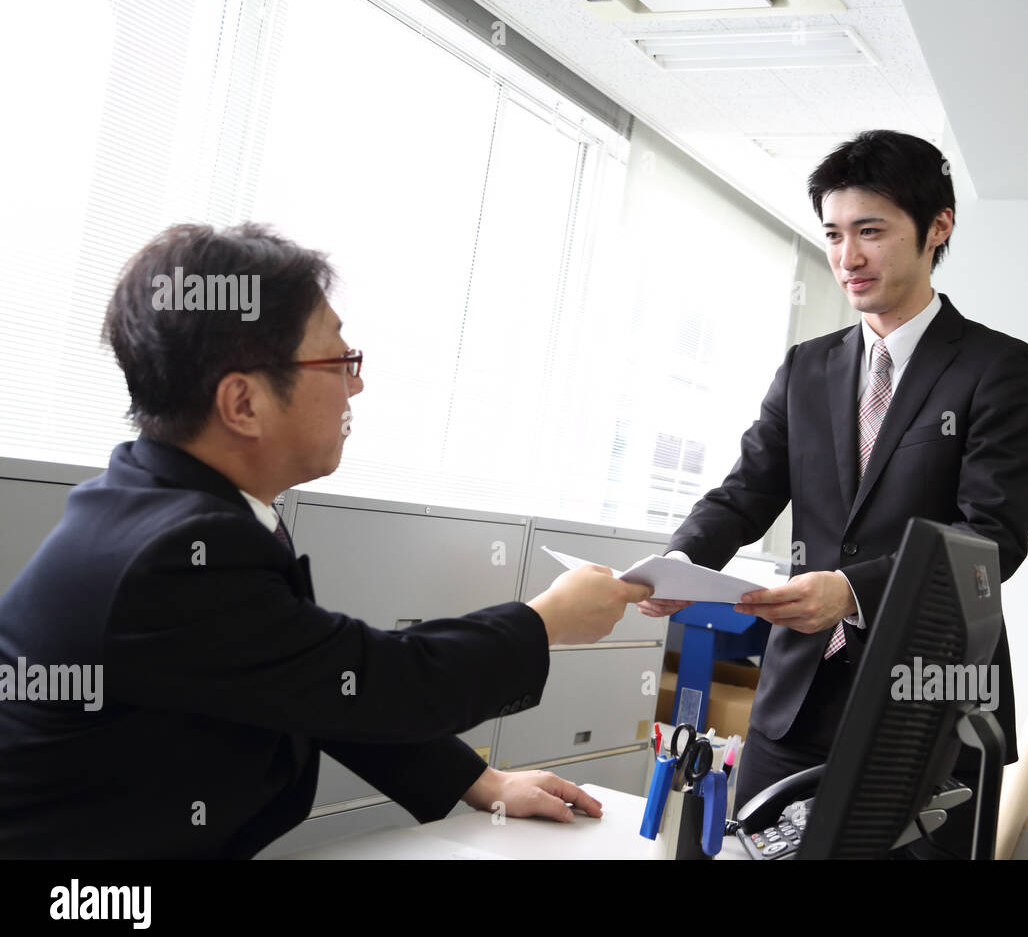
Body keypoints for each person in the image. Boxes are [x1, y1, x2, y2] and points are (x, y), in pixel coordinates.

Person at [0, 223, 651, 858]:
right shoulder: (175, 556)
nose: (356, 384)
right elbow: (376, 681)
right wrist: (548, 621)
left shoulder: (178, 505)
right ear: (243, 404)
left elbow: (306, 682)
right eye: (339, 360)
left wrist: (480, 781)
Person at [640, 130, 1028, 855]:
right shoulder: (807, 368)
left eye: (871, 232)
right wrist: (674, 562)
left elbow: (990, 542)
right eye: (833, 235)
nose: (847, 258)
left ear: (938, 228)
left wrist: (851, 591)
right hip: (794, 704)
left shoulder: (1000, 369)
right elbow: (745, 492)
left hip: (930, 707)